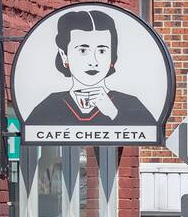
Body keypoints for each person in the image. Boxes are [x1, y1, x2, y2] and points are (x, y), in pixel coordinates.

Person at [28, 9, 158, 129]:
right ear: (64, 55)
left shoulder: (130, 104)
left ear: (112, 55)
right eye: (83, 50)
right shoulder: (49, 106)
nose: (93, 61)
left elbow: (150, 133)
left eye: (102, 50)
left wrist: (114, 114)